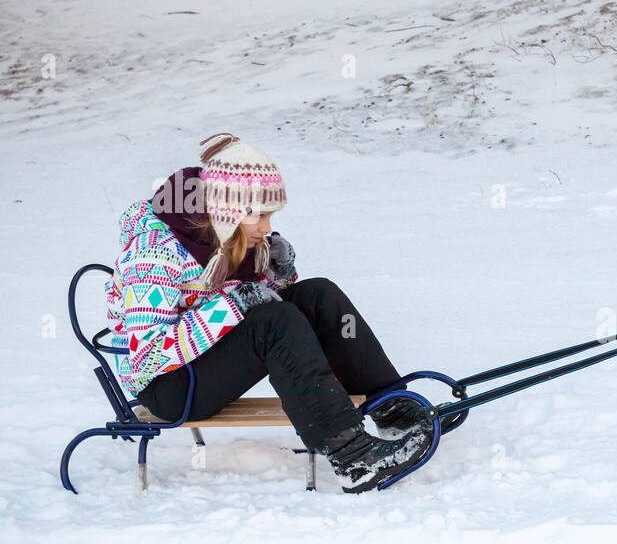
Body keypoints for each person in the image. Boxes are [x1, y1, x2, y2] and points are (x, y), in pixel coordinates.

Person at [105, 133, 434, 492]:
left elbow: (257, 296)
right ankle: (352, 456)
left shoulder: (224, 236)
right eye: (257, 216)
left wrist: (279, 270)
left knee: (316, 295)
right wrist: (233, 307)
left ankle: (394, 411)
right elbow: (146, 356)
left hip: (203, 363)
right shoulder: (154, 255)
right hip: (169, 388)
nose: (265, 227)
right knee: (274, 323)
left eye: (269, 215)